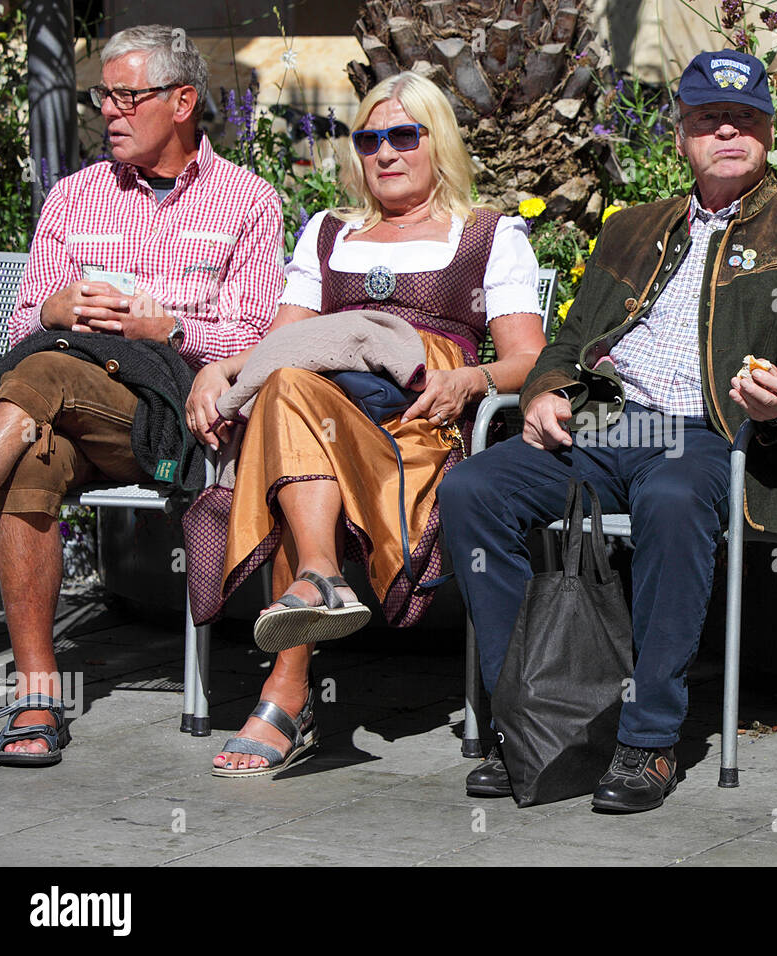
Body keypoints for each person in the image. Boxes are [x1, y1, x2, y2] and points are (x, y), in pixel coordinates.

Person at [439, 49, 777, 812]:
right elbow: (567, 345)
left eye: (744, 120)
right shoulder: (631, 228)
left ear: (769, 132)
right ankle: (529, 723)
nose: (727, 132)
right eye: (707, 120)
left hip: (709, 433)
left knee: (671, 499)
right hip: (603, 424)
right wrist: (543, 390)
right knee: (473, 487)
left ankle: (648, 738)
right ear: (680, 138)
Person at [181, 70, 547, 777]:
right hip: (322, 414)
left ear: (436, 142)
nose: (385, 152)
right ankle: (315, 584)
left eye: (403, 135)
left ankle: (290, 688)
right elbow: (280, 347)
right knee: (287, 386)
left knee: (286, 425)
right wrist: (219, 368)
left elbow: (529, 362)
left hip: (417, 430)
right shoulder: (328, 234)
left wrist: (472, 377)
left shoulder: (485, 235)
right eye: (369, 138)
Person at [0, 25, 283, 766]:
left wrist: (170, 327)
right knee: (32, 452)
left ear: (183, 101)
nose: (109, 111)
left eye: (127, 95)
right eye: (102, 95)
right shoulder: (73, 197)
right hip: (65, 410)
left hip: (178, 410)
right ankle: (39, 695)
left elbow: (258, 342)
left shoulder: (247, 201)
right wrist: (54, 311)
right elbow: (25, 325)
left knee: (46, 374)